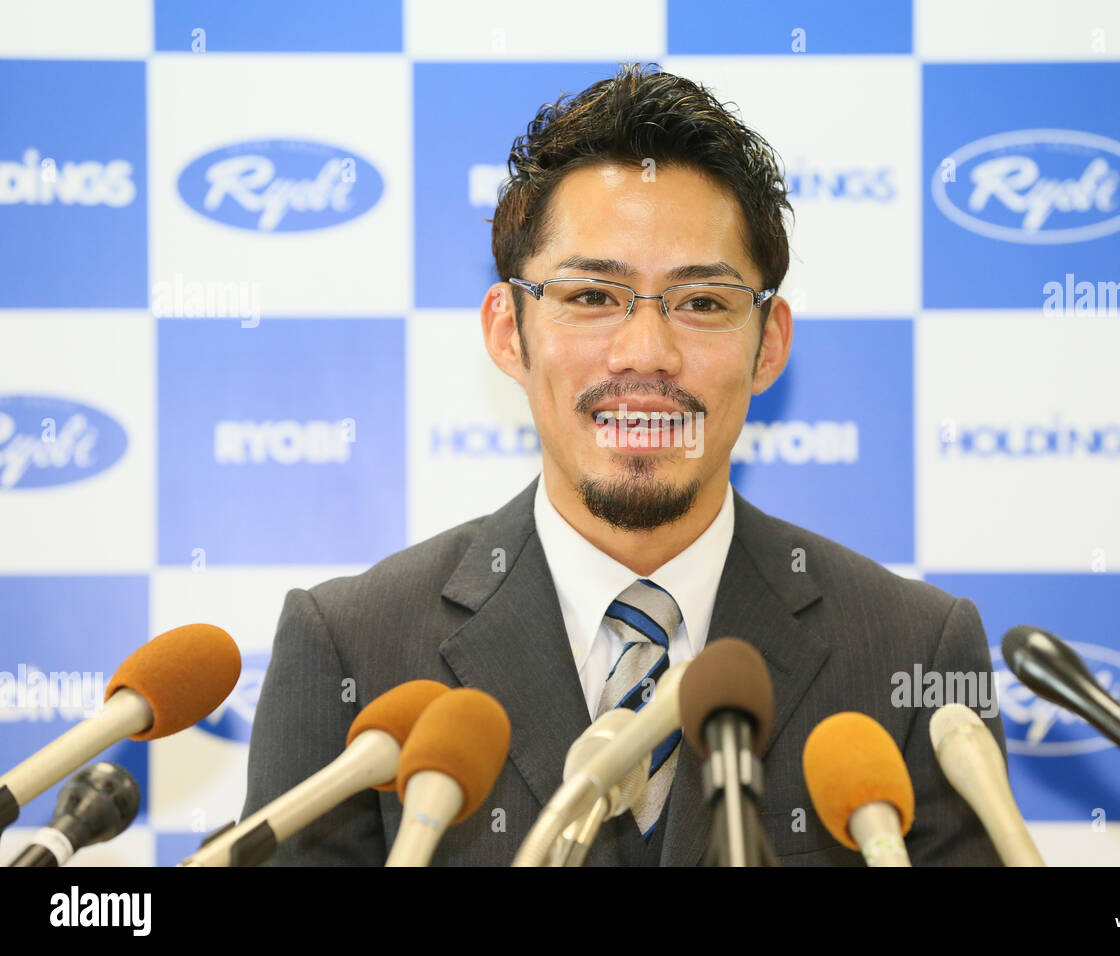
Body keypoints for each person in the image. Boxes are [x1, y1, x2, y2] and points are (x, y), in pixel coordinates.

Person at [242, 61, 1007, 866]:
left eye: (703, 303)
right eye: (592, 297)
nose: (646, 352)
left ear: (770, 343)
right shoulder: (353, 649)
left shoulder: (913, 651)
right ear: (508, 331)